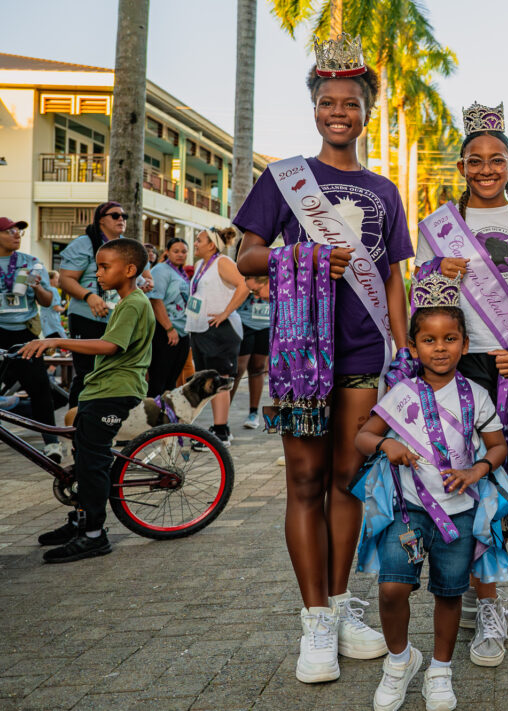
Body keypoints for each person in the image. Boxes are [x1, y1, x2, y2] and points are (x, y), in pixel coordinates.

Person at [234, 35, 409, 684]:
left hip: (363, 352)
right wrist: (299, 256)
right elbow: (246, 256)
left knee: (347, 480)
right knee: (304, 482)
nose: (340, 112)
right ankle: (313, 620)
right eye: (329, 101)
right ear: (315, 108)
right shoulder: (285, 177)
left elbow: (392, 275)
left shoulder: (383, 190)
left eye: (352, 103)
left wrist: (403, 343)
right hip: (301, 356)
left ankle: (340, 606)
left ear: (367, 111)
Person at [413, 101, 508, 668]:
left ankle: (479, 595)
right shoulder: (438, 227)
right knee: (472, 490)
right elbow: (424, 305)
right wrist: (434, 275)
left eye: (497, 160)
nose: (486, 169)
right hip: (458, 370)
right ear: (462, 167)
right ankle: (484, 603)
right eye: (475, 161)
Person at [354, 279, 508, 711]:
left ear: (464, 344)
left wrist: (476, 469)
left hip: (459, 514)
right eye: (429, 340)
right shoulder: (401, 393)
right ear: (413, 345)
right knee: (391, 589)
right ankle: (400, 660)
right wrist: (387, 445)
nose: (439, 348)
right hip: (408, 511)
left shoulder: (477, 396)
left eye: (450, 339)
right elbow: (364, 437)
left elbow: (498, 447)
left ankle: (440, 670)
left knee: (449, 592)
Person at [22, 238, 153, 563]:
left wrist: (59, 340)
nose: (97, 273)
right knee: (83, 457)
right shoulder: (125, 302)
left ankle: (94, 535)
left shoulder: (134, 302)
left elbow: (110, 346)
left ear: (130, 269)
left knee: (92, 463)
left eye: (105, 267)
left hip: (114, 391)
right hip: (101, 389)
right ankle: (80, 520)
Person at [0, 217, 62, 461]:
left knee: (40, 388)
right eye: (11, 231)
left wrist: (37, 288)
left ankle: (52, 443)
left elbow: (47, 301)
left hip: (25, 334)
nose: (17, 235)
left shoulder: (31, 263)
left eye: (19, 232)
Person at [58, 201, 126, 406]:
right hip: (87, 316)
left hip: (117, 319)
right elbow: (66, 279)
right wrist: (89, 296)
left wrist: (145, 282)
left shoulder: (125, 245)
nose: (121, 219)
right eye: (115, 216)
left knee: (116, 374)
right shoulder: (84, 243)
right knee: (87, 374)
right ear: (100, 220)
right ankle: (75, 428)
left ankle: (107, 426)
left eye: (124, 216)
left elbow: (138, 276)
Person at [186, 227, 248, 446]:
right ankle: (219, 428)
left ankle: (221, 431)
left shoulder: (222, 262)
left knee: (219, 378)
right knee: (208, 379)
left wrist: (225, 312)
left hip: (219, 329)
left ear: (211, 245)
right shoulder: (202, 265)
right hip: (202, 328)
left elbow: (244, 285)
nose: (195, 243)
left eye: (199, 240)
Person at [146, 238, 191, 397]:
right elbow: (155, 300)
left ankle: (168, 418)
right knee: (158, 381)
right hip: (165, 331)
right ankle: (155, 419)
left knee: (171, 382)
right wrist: (169, 328)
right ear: (167, 252)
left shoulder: (181, 272)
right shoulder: (161, 270)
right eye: (176, 251)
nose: (180, 255)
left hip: (182, 332)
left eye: (184, 251)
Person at [233, 275, 269, 430]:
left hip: (266, 323)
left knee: (258, 367)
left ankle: (253, 413)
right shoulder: (248, 266)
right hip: (244, 322)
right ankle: (221, 416)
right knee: (238, 369)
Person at [40, 271, 67, 340]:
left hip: (45, 323)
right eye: (56, 278)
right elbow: (56, 308)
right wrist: (65, 308)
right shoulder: (53, 290)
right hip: (53, 323)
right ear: (50, 279)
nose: (58, 280)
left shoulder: (43, 290)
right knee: (64, 342)